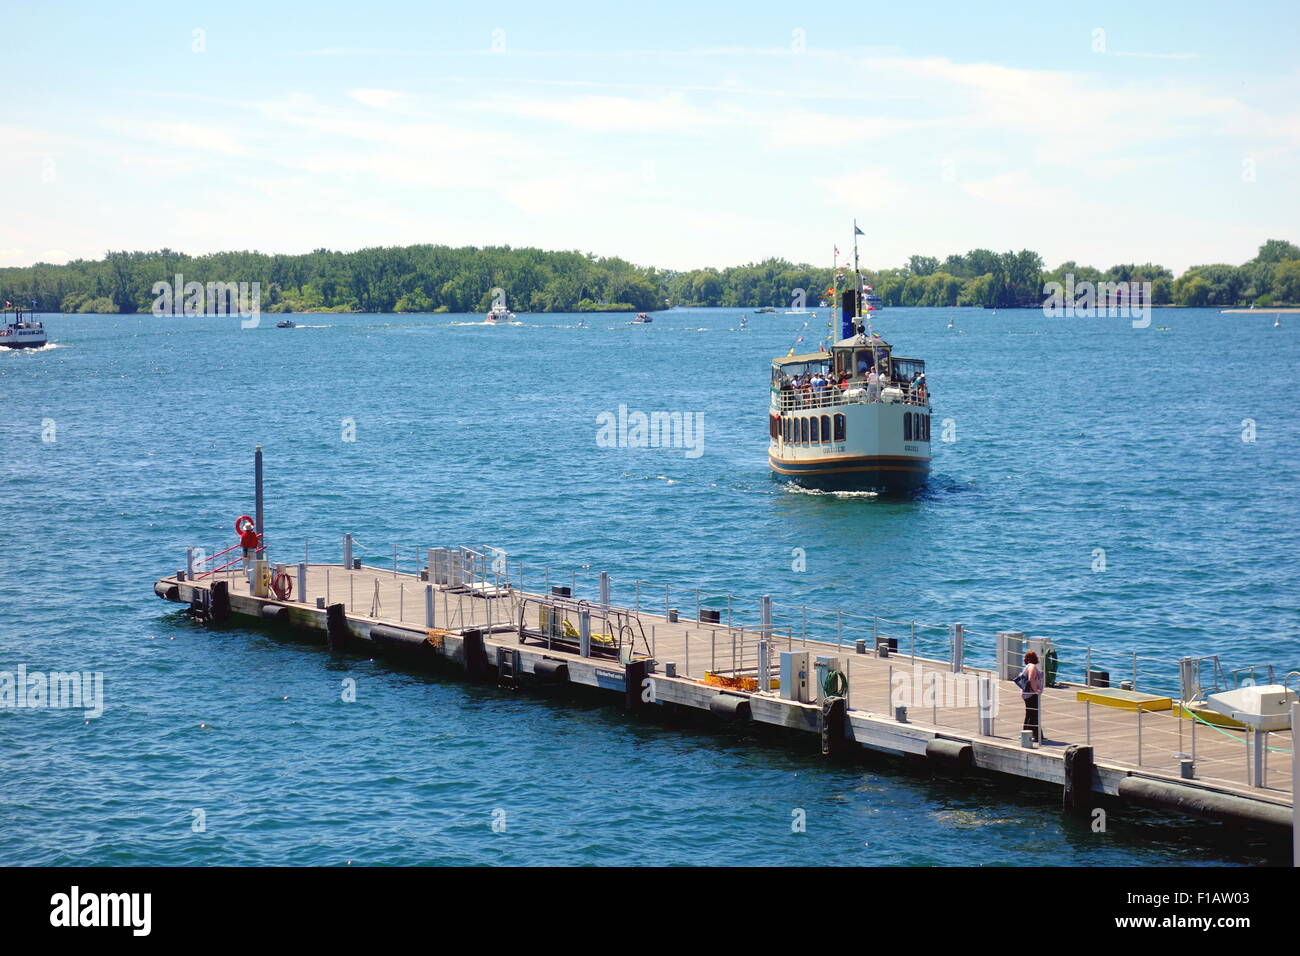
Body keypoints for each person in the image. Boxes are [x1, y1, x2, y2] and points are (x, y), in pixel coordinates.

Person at [1019, 650, 1045, 742]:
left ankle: (1028, 733)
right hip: (1031, 694)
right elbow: (1031, 679)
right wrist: (1036, 691)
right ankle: (1035, 735)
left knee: (1030, 713)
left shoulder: (1027, 666)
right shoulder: (1032, 667)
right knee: (1033, 714)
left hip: (1027, 694)